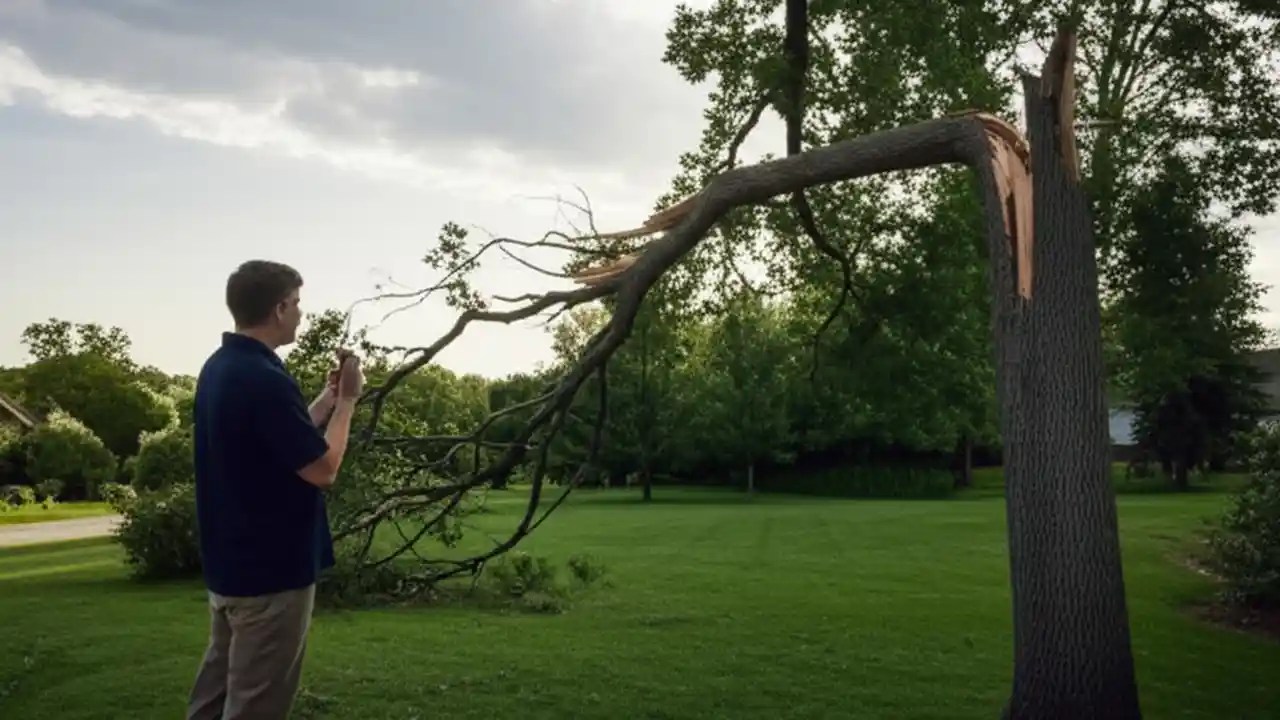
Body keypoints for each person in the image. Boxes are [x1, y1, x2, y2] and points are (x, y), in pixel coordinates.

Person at [186, 259, 363, 720]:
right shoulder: (263, 378)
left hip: (232, 568)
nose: (302, 313)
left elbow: (280, 438)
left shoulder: (223, 367)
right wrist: (347, 402)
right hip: (271, 576)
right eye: (298, 303)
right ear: (280, 307)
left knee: (213, 698)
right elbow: (322, 469)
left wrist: (324, 401)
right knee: (255, 706)